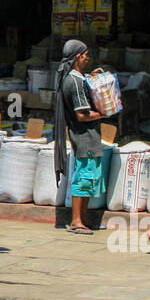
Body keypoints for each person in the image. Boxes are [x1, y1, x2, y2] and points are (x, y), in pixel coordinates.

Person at [53, 40, 107, 234]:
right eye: (85, 55)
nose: (88, 58)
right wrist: (104, 112)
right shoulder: (74, 81)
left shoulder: (76, 78)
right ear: (78, 57)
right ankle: (76, 221)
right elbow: (82, 115)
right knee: (83, 179)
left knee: (89, 179)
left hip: (88, 137)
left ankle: (84, 219)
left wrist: (91, 78)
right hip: (84, 136)